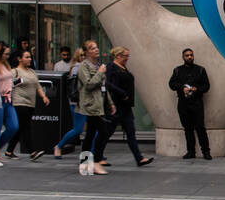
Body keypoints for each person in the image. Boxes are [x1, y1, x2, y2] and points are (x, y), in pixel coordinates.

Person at [93, 47, 153, 168]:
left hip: (126, 107)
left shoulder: (123, 68)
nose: (127, 58)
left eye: (128, 56)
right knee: (106, 132)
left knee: (131, 132)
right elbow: (107, 83)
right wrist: (122, 93)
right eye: (125, 55)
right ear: (118, 56)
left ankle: (139, 158)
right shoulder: (111, 67)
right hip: (115, 105)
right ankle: (97, 157)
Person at [4, 50, 50, 161]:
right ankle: (32, 152)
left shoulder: (32, 72)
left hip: (30, 103)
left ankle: (9, 151)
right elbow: (7, 85)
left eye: (30, 57)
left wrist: (44, 96)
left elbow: (37, 86)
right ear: (20, 59)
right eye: (27, 57)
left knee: (20, 128)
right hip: (19, 102)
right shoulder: (14, 71)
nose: (29, 59)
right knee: (26, 127)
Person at [169, 48, 211, 159]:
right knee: (188, 128)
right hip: (183, 103)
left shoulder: (201, 70)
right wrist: (182, 87)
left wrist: (196, 89)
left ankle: (206, 152)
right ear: (183, 57)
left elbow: (206, 86)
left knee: (200, 127)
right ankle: (191, 152)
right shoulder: (177, 70)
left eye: (191, 55)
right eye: (187, 55)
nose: (189, 57)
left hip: (197, 102)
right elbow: (171, 84)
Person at [77, 40, 110, 176]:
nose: (96, 50)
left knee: (90, 133)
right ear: (86, 52)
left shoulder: (97, 65)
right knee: (103, 131)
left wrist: (110, 103)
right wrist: (100, 72)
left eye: (96, 47)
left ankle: (84, 164)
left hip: (99, 103)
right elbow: (89, 84)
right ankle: (95, 161)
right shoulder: (84, 66)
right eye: (92, 48)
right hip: (90, 104)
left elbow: (104, 87)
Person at [53, 47, 86, 157]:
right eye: (81, 55)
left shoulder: (83, 66)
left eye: (84, 55)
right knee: (78, 129)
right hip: (78, 102)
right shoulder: (77, 68)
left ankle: (95, 152)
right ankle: (59, 146)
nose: (84, 57)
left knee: (95, 128)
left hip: (85, 102)